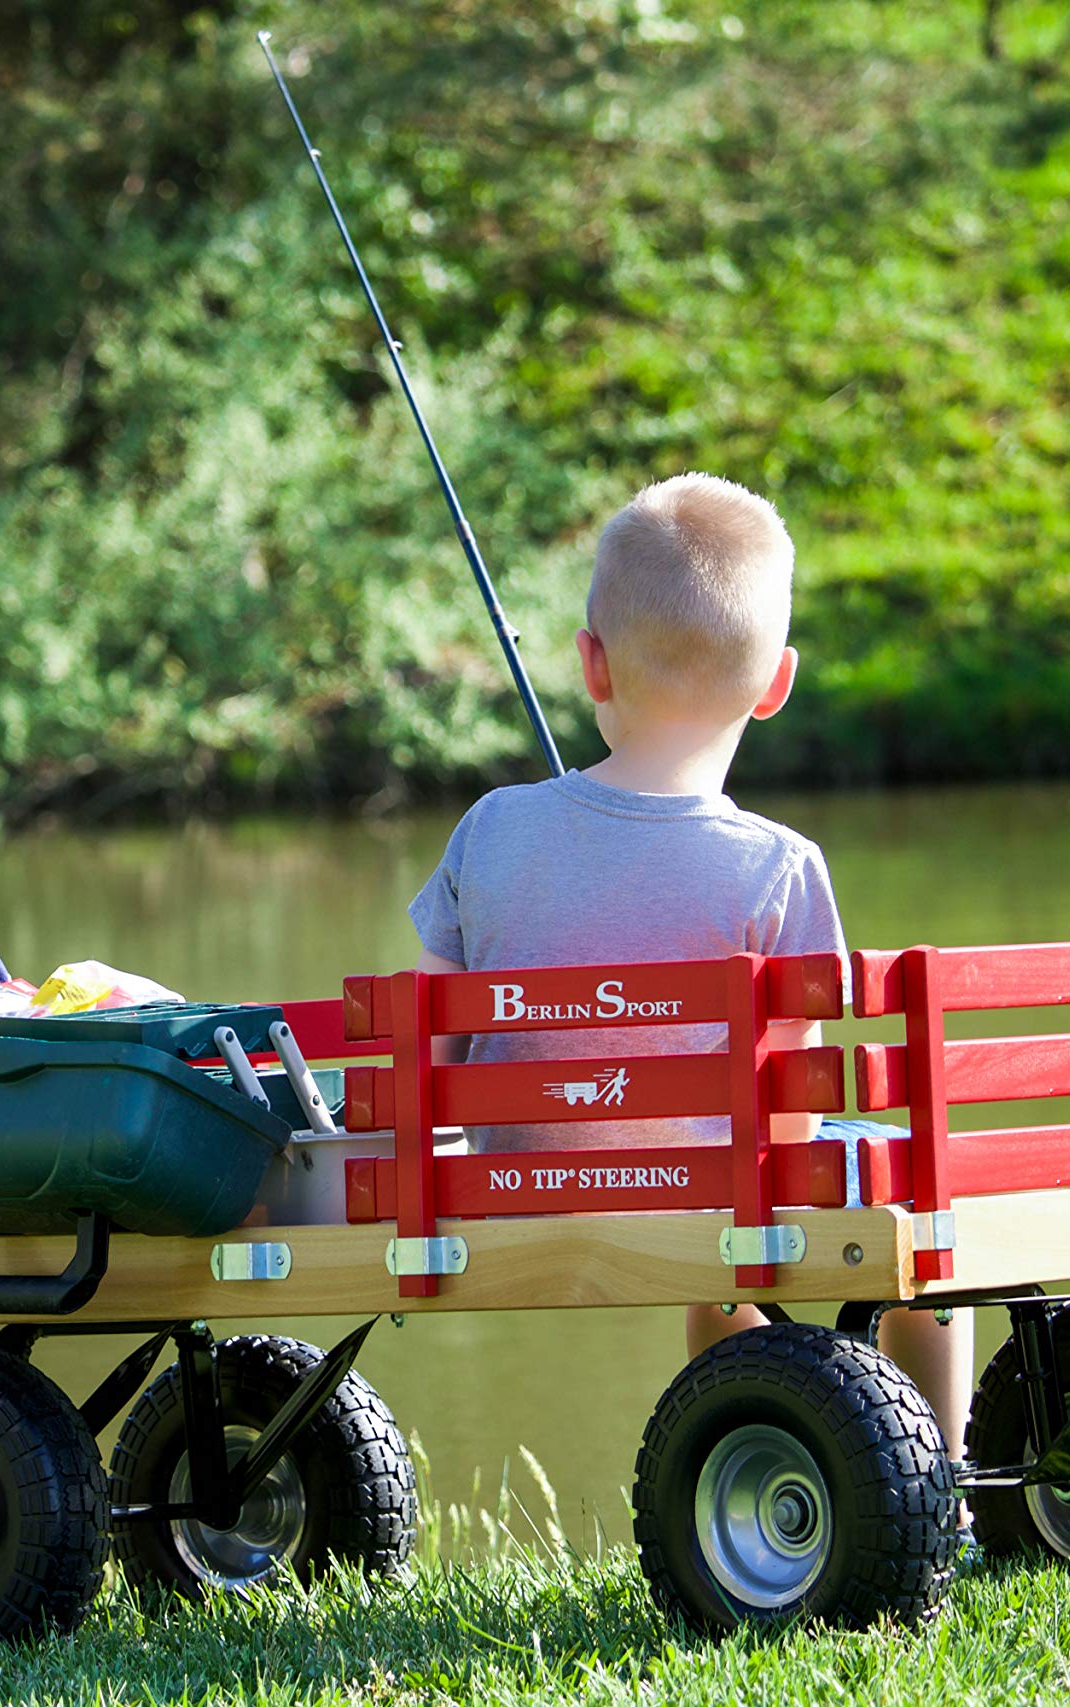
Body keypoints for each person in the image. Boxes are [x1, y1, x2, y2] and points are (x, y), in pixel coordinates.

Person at [405, 471, 974, 1468]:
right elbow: (791, 1103)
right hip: (713, 1193)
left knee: (728, 1235)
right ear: (776, 683)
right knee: (914, 1202)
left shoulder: (489, 829)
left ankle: (756, 1404)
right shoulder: (778, 865)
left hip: (507, 1184)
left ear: (591, 664)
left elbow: (425, 1049)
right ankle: (944, 1480)